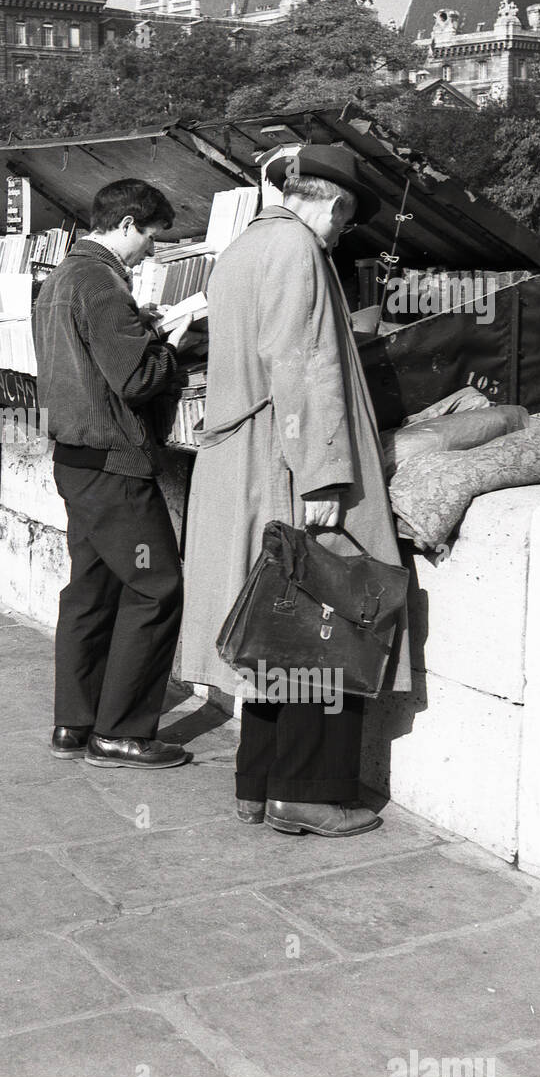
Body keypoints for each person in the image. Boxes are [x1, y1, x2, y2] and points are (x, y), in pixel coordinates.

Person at [180, 145, 410, 838]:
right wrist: (324, 474)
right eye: (344, 221)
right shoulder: (300, 251)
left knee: (272, 629)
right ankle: (307, 793)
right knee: (322, 623)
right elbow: (302, 365)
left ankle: (259, 782)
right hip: (284, 466)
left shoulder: (243, 248)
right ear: (333, 205)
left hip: (242, 461)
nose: (342, 235)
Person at [31, 179, 198, 769]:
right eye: (150, 238)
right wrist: (174, 342)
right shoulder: (101, 284)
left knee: (91, 590)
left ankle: (73, 723)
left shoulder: (61, 277)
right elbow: (137, 379)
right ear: (127, 224)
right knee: (157, 587)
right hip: (114, 461)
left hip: (76, 459)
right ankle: (122, 732)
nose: (150, 252)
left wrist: (141, 327)